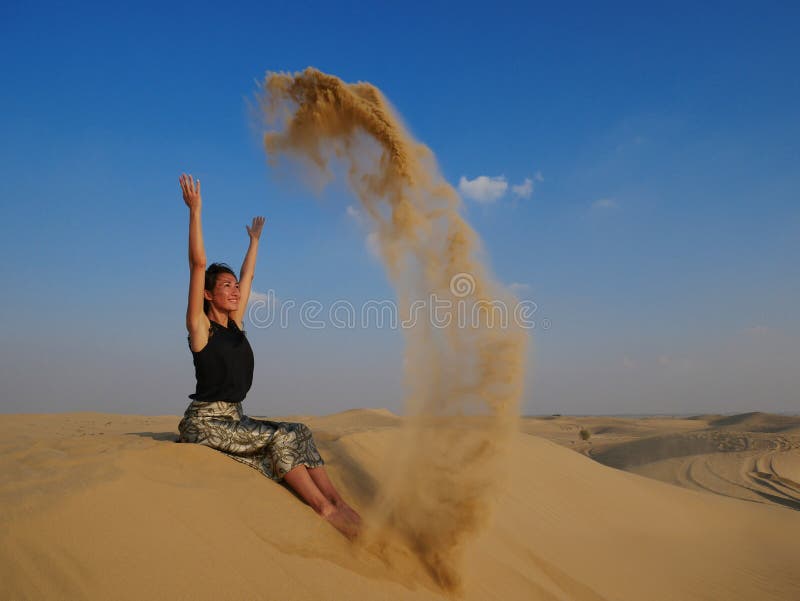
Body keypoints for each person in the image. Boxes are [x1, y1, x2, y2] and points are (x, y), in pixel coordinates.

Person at [176, 173, 361, 539]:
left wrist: (254, 242)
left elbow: (250, 274)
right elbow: (198, 265)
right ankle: (324, 510)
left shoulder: (236, 324)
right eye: (226, 286)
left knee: (299, 431)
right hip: (205, 424)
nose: (235, 290)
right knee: (279, 439)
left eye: (235, 287)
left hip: (235, 418)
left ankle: (338, 502)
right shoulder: (201, 327)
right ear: (209, 295)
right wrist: (195, 212)